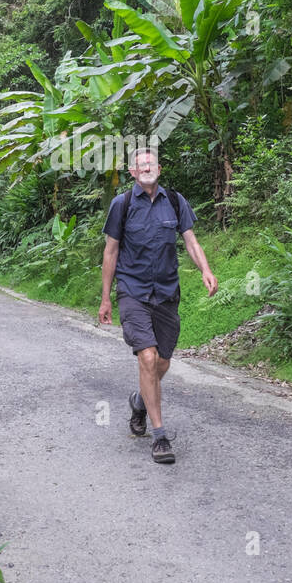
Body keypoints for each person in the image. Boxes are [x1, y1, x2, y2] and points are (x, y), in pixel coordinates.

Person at [99, 146, 217, 464]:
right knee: (148, 358)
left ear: (159, 169)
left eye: (151, 162)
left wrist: (205, 269)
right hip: (133, 292)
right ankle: (160, 436)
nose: (147, 167)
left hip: (166, 293)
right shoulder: (121, 205)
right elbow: (110, 252)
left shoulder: (175, 202)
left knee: (162, 363)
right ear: (133, 173)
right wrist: (106, 297)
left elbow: (190, 240)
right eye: (141, 164)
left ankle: (139, 401)